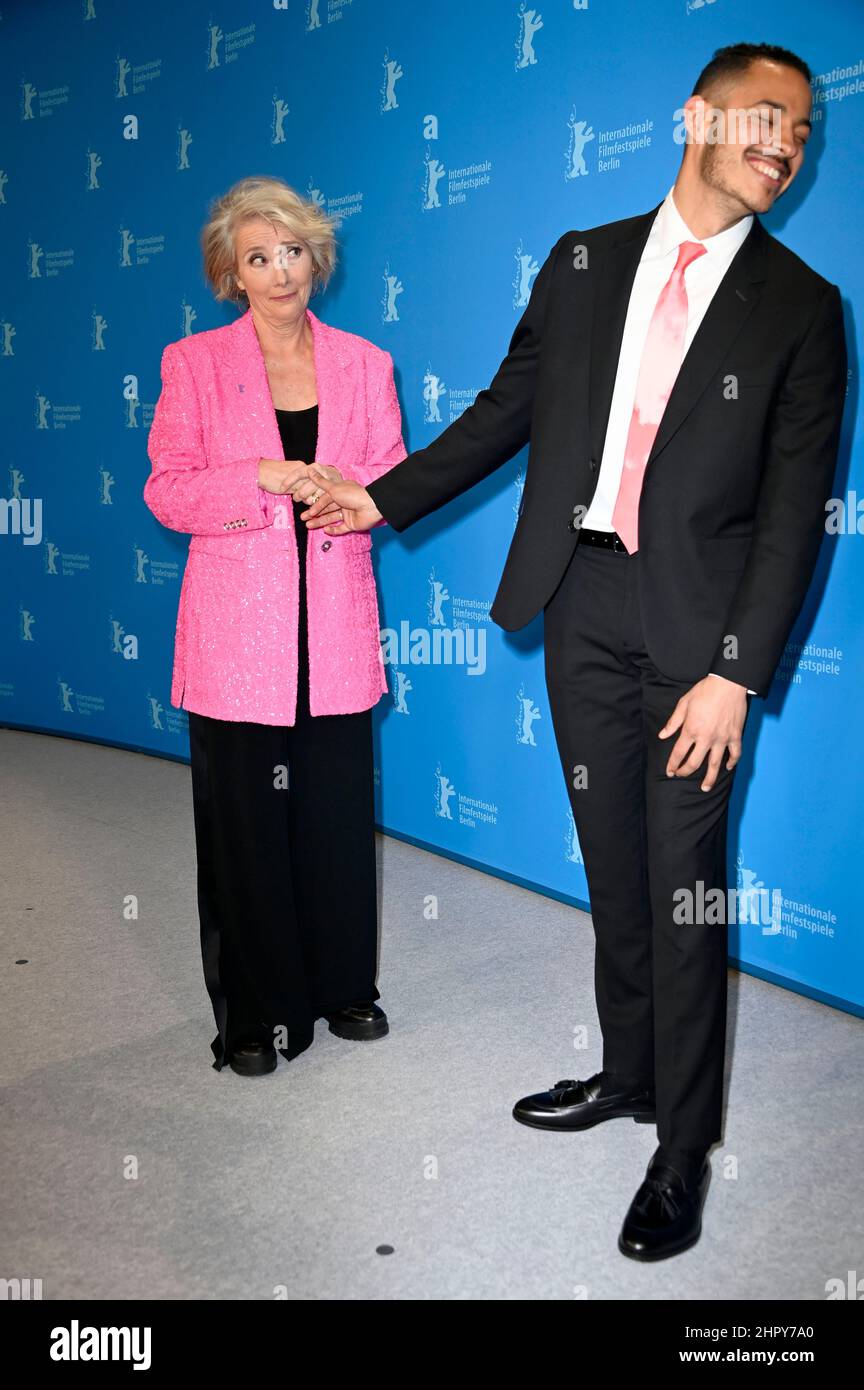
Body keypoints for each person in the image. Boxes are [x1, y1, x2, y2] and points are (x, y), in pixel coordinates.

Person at [300, 45, 848, 1258]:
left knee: (684, 887)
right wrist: (378, 498)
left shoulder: (805, 308)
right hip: (585, 595)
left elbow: (796, 507)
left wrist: (736, 672)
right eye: (769, 118)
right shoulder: (587, 258)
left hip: (700, 632)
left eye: (805, 131)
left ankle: (682, 1148)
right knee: (616, 868)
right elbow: (506, 410)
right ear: (698, 116)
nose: (788, 143)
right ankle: (632, 1076)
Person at [143, 176, 406, 1076]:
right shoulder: (195, 365)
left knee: (334, 817)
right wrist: (258, 476)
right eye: (259, 257)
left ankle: (343, 990)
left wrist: (353, 502)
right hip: (235, 640)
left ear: (315, 258)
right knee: (246, 827)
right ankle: (253, 1016)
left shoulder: (367, 365)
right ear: (233, 274)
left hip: (330, 630)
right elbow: (167, 489)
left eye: (293, 251)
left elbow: (391, 480)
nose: (281, 270)